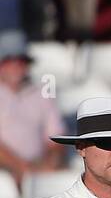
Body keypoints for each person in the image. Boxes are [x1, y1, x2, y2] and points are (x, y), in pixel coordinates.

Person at [0, 31, 64, 187]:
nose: (16, 66)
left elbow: (56, 137)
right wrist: (20, 167)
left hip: (37, 168)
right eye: (10, 60)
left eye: (21, 61)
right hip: (6, 171)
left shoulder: (43, 93)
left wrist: (51, 162)